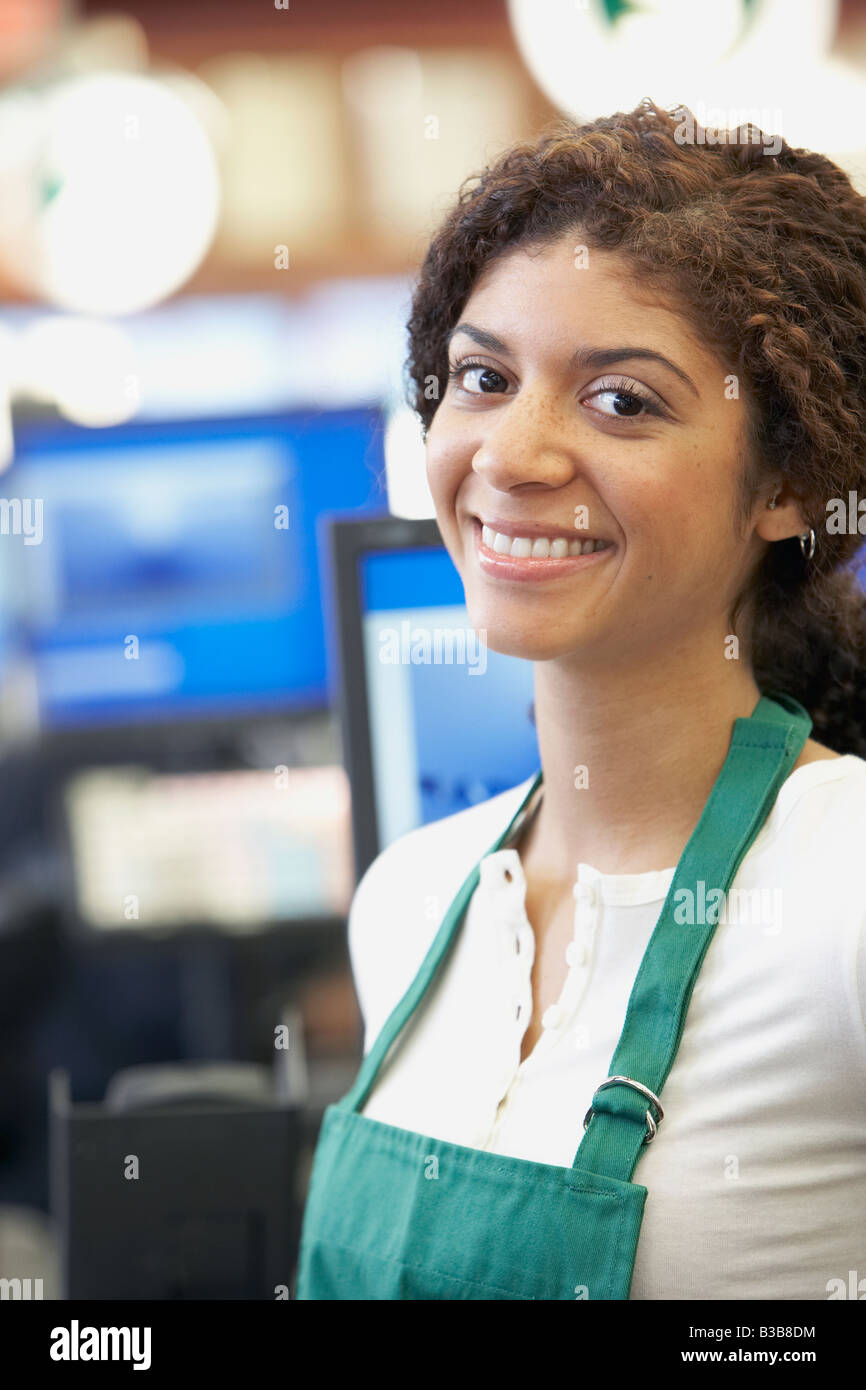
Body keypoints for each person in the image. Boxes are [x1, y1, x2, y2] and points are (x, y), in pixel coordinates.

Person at [296, 99, 866, 1301]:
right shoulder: (411, 899)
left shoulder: (842, 889)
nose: (512, 454)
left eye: (621, 400)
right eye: (482, 377)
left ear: (787, 484)